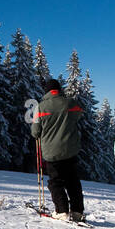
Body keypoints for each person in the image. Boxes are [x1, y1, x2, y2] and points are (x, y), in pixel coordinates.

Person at [30, 79, 88, 220]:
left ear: (47, 91)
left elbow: (35, 132)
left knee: (56, 181)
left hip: (51, 152)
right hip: (70, 149)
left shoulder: (40, 107)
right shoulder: (70, 103)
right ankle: (77, 212)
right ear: (59, 89)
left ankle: (62, 211)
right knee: (73, 181)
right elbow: (80, 114)